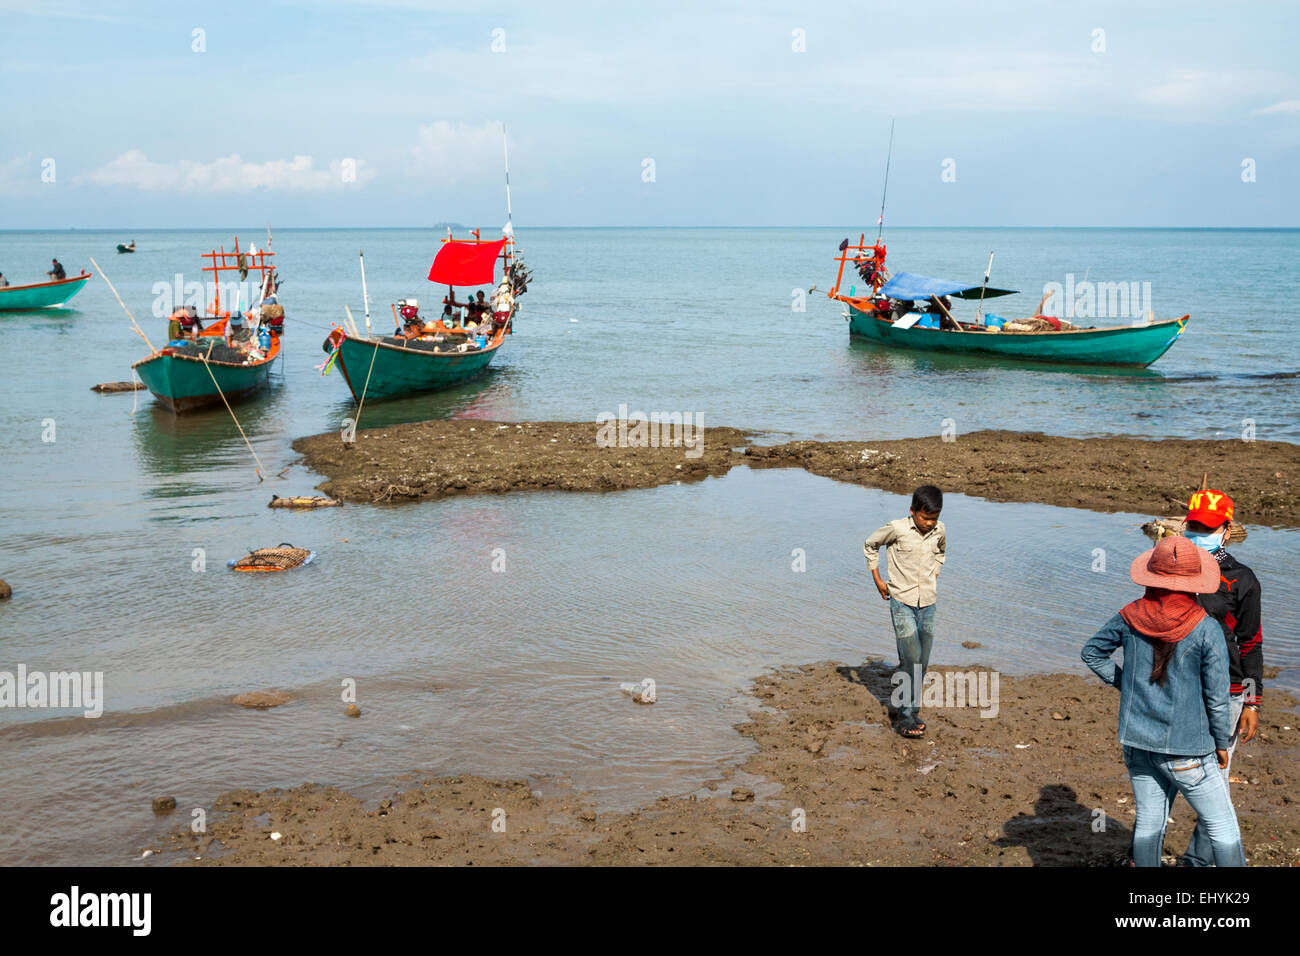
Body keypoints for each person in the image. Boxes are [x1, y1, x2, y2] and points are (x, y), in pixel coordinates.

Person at [1081, 536, 1245, 867]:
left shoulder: (1129, 616)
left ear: (1152, 577)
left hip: (1138, 742)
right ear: (1195, 582)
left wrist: (1127, 686)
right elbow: (1216, 695)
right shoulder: (1205, 628)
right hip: (1188, 750)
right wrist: (1221, 742)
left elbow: (1091, 652)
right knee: (1222, 826)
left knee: (1149, 823)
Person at [1179, 489, 1263, 866]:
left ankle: (1196, 861)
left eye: (1208, 527)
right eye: (1194, 525)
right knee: (1161, 773)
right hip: (1175, 686)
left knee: (1215, 777)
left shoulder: (1241, 579)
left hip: (1226, 693)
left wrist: (1251, 700)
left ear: (1227, 530)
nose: (1199, 532)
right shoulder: (1168, 567)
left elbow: (1250, 643)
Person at [863, 484, 946, 738]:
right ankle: (904, 717)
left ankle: (912, 710)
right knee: (910, 659)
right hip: (901, 603)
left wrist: (935, 572)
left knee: (921, 662)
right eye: (925, 518)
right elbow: (870, 544)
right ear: (912, 511)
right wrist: (878, 579)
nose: (930, 523)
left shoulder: (940, 530)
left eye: (934, 518)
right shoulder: (897, 528)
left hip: (928, 604)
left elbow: (942, 551)